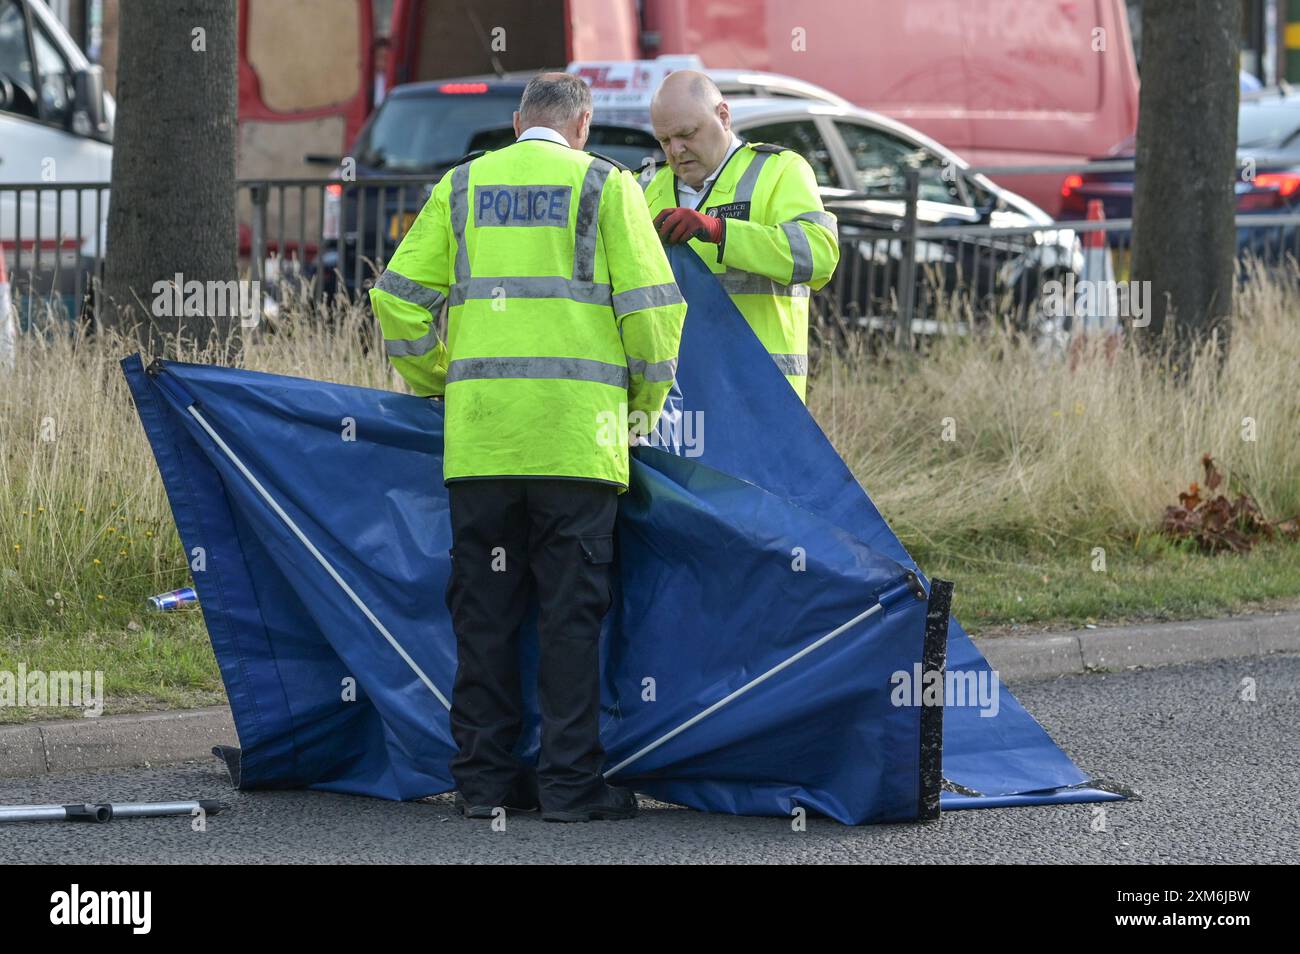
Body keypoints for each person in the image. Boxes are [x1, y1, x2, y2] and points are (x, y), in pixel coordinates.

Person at [368, 72, 686, 822]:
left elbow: (398, 300)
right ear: (583, 126)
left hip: (482, 444)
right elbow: (652, 314)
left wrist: (440, 380)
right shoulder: (608, 187)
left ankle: (483, 785)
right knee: (570, 622)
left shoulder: (463, 183)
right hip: (578, 443)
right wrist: (641, 408)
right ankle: (571, 787)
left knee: (484, 619)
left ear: (517, 123)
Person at [642, 70, 839, 402]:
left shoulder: (779, 170)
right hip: (676, 397)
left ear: (723, 116)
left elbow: (819, 256)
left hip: (761, 393)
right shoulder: (644, 186)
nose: (676, 150)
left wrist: (721, 232)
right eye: (664, 141)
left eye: (687, 133)